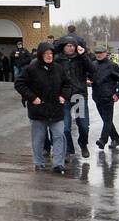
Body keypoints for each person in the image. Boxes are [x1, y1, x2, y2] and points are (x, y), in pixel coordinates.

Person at [15, 42, 75, 173]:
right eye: (46, 54)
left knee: (59, 136)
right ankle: (39, 163)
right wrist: (32, 98)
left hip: (56, 110)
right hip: (38, 111)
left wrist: (64, 96)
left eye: (51, 54)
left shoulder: (59, 68)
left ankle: (58, 164)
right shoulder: (31, 69)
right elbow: (19, 84)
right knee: (38, 138)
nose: (49, 56)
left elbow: (67, 84)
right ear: (41, 55)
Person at [56, 39, 96, 159]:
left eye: (73, 46)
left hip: (79, 96)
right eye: (69, 46)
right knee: (65, 127)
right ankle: (68, 150)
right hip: (65, 96)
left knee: (83, 125)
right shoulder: (58, 60)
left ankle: (83, 144)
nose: (71, 48)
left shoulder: (81, 58)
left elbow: (93, 70)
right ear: (63, 47)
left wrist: (83, 55)